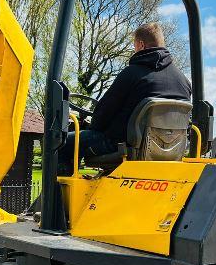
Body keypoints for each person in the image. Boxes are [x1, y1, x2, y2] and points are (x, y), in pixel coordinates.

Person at [58, 22, 192, 174]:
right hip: (170, 151)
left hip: (122, 146)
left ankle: (56, 197)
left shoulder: (131, 74)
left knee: (61, 144)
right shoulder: (184, 82)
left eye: (134, 45)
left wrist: (90, 127)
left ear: (141, 45)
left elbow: (103, 114)